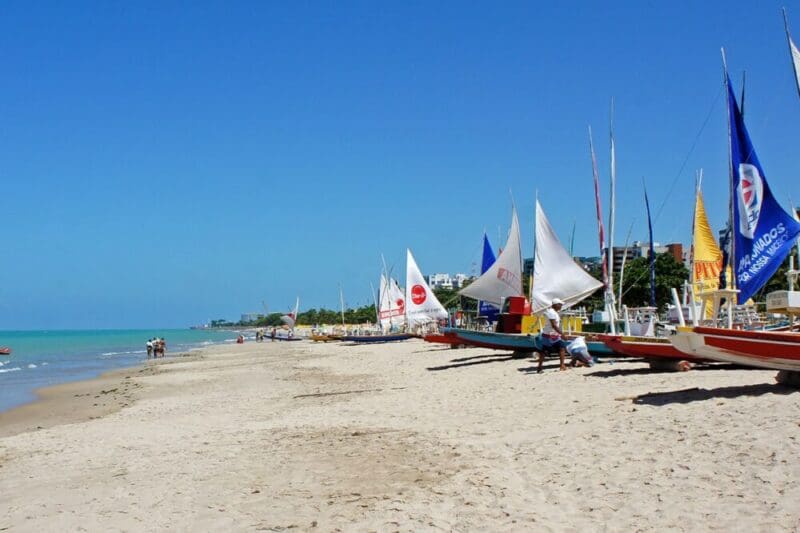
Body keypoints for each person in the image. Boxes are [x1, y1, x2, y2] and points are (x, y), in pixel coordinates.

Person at [537, 298, 568, 372]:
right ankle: (561, 366)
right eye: (560, 304)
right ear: (555, 305)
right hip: (550, 335)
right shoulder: (552, 312)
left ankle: (540, 367)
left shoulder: (553, 312)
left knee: (546, 350)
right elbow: (554, 325)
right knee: (560, 348)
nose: (561, 306)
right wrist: (562, 334)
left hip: (550, 334)